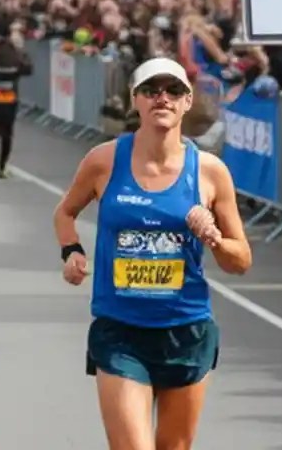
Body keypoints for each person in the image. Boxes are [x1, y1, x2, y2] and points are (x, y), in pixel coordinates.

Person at [52, 57, 252, 450]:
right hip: (121, 332)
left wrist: (213, 238)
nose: (163, 98)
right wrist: (71, 251)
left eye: (173, 90)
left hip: (186, 331)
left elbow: (241, 260)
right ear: (136, 101)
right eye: (151, 90)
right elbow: (65, 212)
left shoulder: (210, 172)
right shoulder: (104, 160)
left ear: (187, 101)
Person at [0, 21, 32, 179]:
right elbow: (27, 69)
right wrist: (22, 51)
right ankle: (2, 166)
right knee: (7, 132)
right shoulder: (14, 50)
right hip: (9, 94)